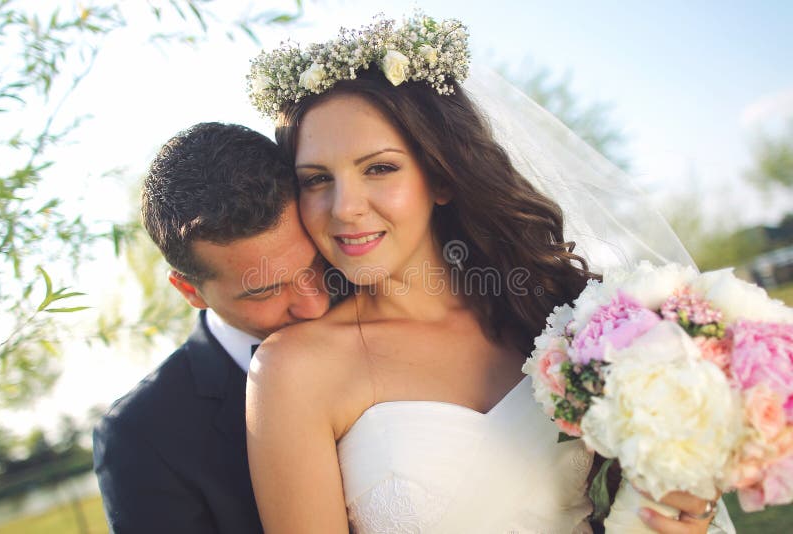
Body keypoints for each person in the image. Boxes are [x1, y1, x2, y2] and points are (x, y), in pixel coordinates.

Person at [244, 14, 732, 534]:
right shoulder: (293, 371)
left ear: (441, 178)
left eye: (380, 168)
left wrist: (690, 510)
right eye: (317, 179)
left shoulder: (552, 316)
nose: (344, 208)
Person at [93, 122, 330, 533]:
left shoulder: (385, 303)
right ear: (190, 291)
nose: (314, 305)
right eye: (265, 291)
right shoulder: (141, 438)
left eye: (313, 266)